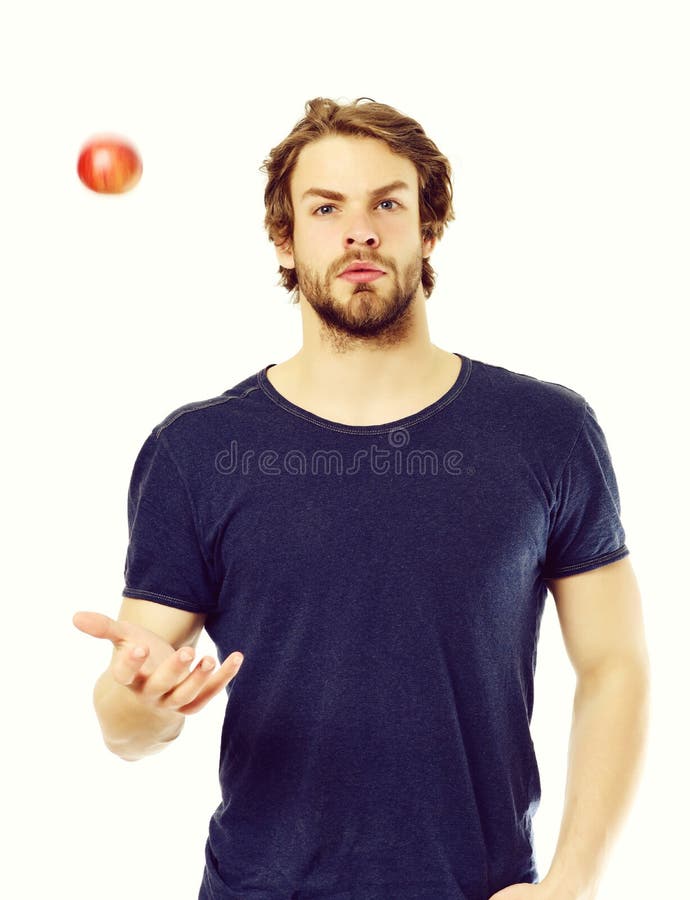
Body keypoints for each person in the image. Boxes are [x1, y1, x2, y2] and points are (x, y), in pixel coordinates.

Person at [73, 97, 651, 900]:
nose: (360, 231)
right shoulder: (196, 452)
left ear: (429, 227)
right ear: (285, 236)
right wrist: (142, 701)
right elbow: (127, 724)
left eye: (388, 202)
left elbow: (615, 663)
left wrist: (572, 882)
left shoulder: (547, 430)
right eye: (326, 208)